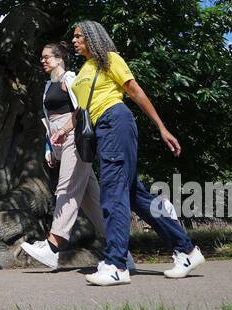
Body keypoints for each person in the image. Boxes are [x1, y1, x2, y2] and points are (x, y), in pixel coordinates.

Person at [70, 20, 205, 286]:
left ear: (93, 37)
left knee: (112, 192)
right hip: (100, 131)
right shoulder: (84, 68)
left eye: (78, 36)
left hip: (115, 122)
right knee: (133, 195)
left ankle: (117, 264)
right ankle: (187, 251)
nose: (74, 41)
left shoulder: (110, 59)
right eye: (73, 37)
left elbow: (134, 90)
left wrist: (161, 127)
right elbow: (82, 109)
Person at [20, 42, 109, 271]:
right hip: (59, 139)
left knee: (66, 188)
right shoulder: (49, 85)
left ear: (60, 59)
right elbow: (49, 120)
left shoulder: (70, 79)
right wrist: (49, 148)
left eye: (47, 57)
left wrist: (64, 131)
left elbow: (82, 109)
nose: (43, 60)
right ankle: (121, 249)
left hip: (74, 137)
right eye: (42, 57)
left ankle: (52, 246)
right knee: (93, 201)